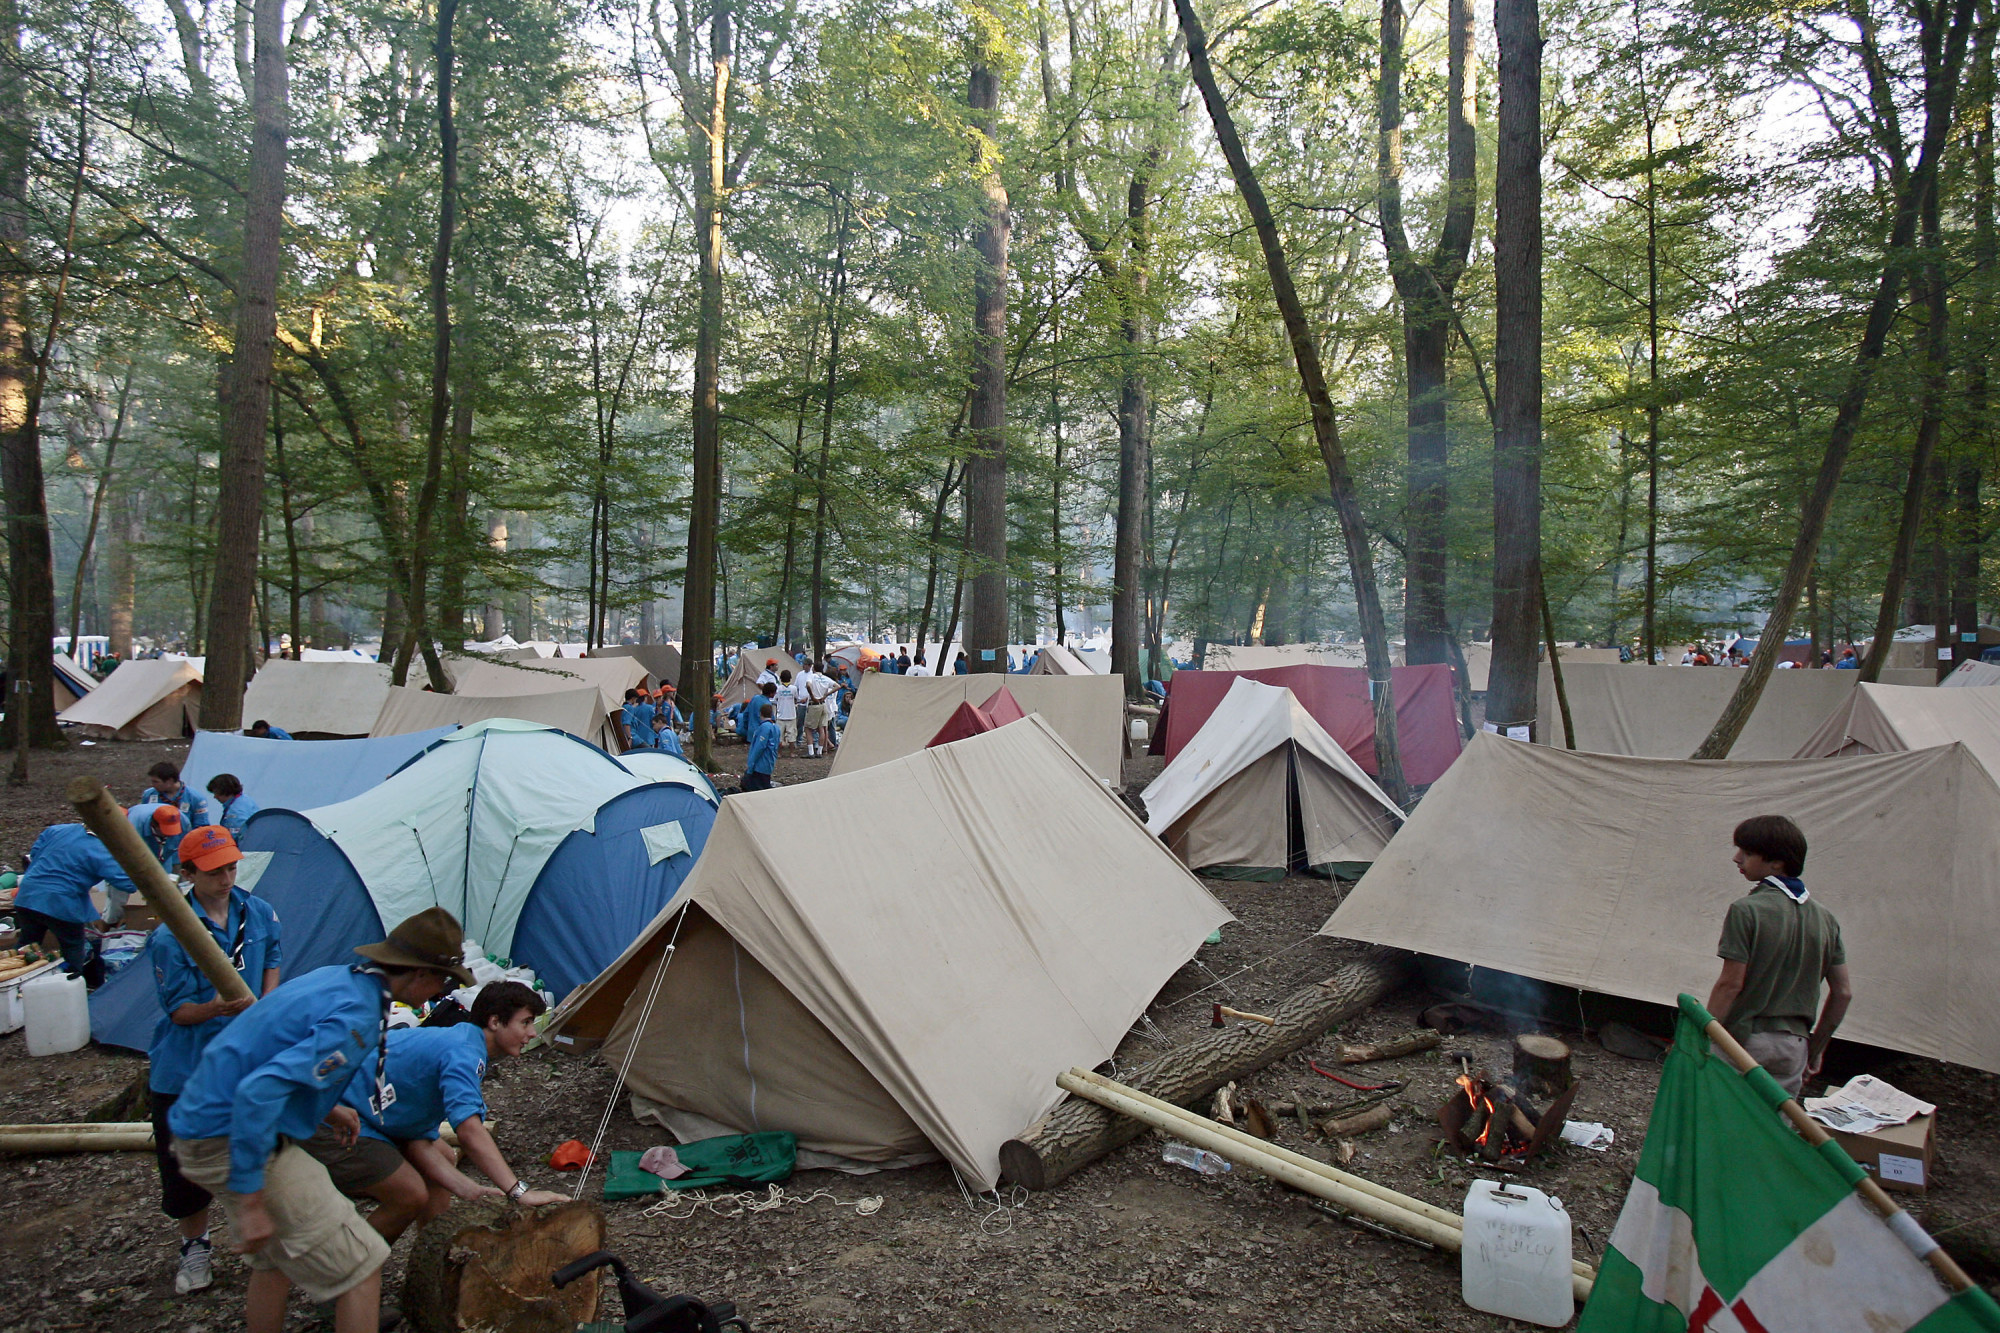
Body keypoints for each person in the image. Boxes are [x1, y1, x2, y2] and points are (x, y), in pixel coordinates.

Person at [167, 908, 471, 1333]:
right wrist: (250, 1200)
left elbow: (277, 1055)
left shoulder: (343, 979)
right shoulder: (358, 1016)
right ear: (420, 974)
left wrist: (327, 1106)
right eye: (444, 979)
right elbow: (258, 1093)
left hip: (203, 1121)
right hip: (233, 1132)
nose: (444, 989)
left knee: (274, 1261)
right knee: (362, 1264)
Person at [302, 982, 568, 1246]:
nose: (532, 1033)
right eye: (526, 1022)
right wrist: (518, 1191)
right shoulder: (463, 1052)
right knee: (408, 1195)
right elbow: (469, 1131)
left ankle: (432, 1258)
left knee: (441, 1155)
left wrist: (471, 1191)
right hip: (329, 1116)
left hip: (368, 1115)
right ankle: (349, 1270)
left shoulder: (462, 1042)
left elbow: (416, 1138)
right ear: (495, 1021)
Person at [149, 825, 283, 1296]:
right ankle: (195, 1244)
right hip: (188, 1068)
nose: (226, 878)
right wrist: (219, 1008)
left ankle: (268, 1237)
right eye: (214, 871)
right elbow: (179, 1012)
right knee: (185, 1166)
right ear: (187, 873)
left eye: (230, 867)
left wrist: (264, 1005)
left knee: (262, 1148)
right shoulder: (172, 935)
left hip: (248, 1058)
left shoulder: (257, 909)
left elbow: (273, 959)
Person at [1705, 815, 1851, 1097]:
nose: (1737, 858)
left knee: (1719, 1124)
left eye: (1747, 852)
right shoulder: (1826, 919)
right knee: (1771, 1130)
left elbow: (1730, 985)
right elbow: (1843, 993)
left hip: (1743, 1040)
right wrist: (1815, 1047)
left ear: (1777, 862)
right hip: (1794, 1047)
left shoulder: (1747, 910)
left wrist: (1701, 1035)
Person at [12, 820, 139, 983]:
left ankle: (11, 984)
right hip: (62, 903)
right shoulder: (103, 851)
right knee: (72, 948)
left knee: (27, 944)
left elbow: (35, 853)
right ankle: (71, 987)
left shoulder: (58, 830)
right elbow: (126, 883)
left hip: (28, 895)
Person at [143, 761, 213, 832]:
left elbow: (201, 828)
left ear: (170, 781)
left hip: (183, 840)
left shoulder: (196, 798)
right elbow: (144, 820)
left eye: (156, 782)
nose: (152, 785)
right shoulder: (149, 795)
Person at [742, 702, 780, 791]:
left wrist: (751, 764)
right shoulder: (776, 727)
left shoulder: (764, 727)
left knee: (757, 788)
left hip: (760, 765)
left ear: (760, 713)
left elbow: (759, 747)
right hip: (770, 762)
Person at [801, 661, 834, 758]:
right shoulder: (825, 678)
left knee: (808, 728)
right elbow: (837, 686)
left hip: (814, 704)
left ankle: (811, 752)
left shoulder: (811, 676)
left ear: (814, 668)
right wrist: (826, 695)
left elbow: (808, 685)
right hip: (823, 704)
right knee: (822, 728)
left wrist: (812, 696)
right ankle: (820, 751)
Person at [773, 670, 799, 754]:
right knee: (792, 736)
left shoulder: (778, 688)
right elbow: (796, 699)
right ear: (790, 678)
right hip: (791, 714)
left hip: (780, 715)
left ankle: (779, 753)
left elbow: (775, 699)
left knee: (779, 736)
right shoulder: (794, 688)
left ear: (780, 678)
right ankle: (792, 753)